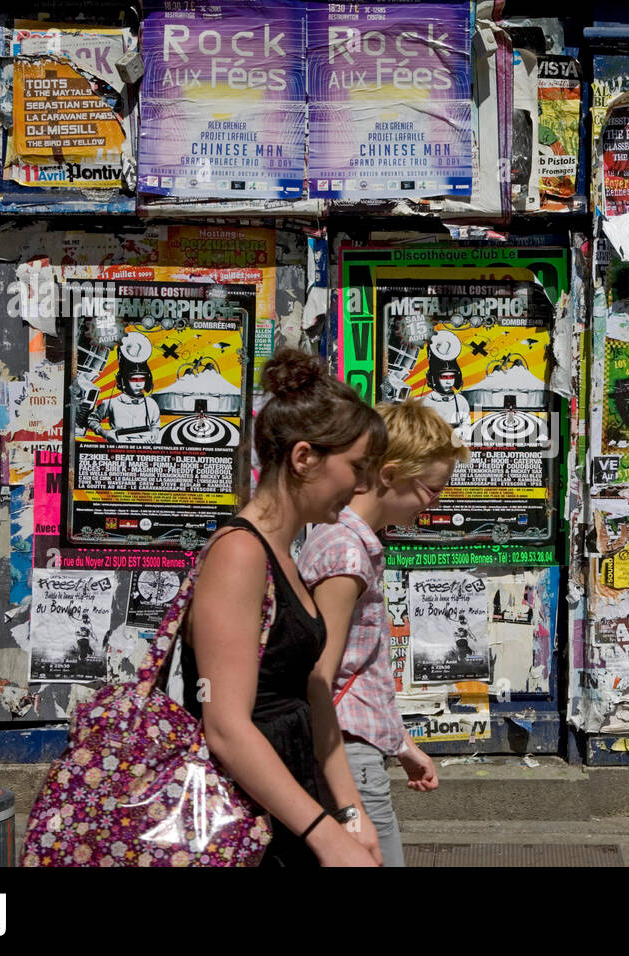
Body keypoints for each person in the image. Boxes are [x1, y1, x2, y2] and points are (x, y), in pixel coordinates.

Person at [181, 348, 388, 867]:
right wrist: (328, 835)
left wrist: (350, 814)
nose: (363, 486)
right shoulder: (239, 553)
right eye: (356, 467)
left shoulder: (283, 554)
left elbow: (312, 691)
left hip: (285, 800)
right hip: (244, 815)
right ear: (303, 458)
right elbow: (226, 726)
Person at [297, 398, 470, 866]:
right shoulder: (346, 555)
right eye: (431, 489)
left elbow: (359, 674)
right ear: (390, 475)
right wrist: (350, 805)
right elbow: (320, 680)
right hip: (346, 758)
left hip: (356, 749)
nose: (435, 502)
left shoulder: (349, 544)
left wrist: (403, 745)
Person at [89, 332, 162, 443]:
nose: (138, 384)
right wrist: (104, 433)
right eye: (133, 380)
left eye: (141, 380)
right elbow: (92, 419)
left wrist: (154, 433)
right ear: (123, 381)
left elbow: (155, 426)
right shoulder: (110, 403)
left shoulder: (151, 404)